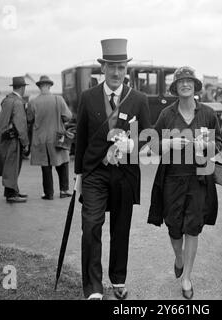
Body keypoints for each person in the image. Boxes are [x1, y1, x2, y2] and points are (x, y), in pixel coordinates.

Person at [74, 38, 151, 300]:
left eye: (121, 67)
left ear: (126, 69)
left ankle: (118, 279)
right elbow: (81, 138)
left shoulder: (138, 99)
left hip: (125, 173)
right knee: (91, 224)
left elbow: (148, 135)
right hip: (95, 171)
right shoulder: (88, 97)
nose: (117, 73)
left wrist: (133, 142)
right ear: (103, 68)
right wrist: (78, 176)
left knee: (121, 227)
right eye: (112, 67)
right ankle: (93, 288)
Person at [148, 66, 222, 299]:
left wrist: (206, 146)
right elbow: (151, 143)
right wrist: (167, 145)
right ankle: (179, 258)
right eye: (181, 82)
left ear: (195, 85)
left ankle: (187, 277)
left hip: (199, 178)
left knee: (193, 227)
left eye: (189, 81)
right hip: (172, 179)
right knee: (174, 226)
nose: (186, 84)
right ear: (176, 88)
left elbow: (219, 142)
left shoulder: (208, 113)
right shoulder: (167, 115)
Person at [27, 75, 73, 200]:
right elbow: (68, 116)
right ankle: (64, 190)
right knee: (62, 163)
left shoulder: (33, 102)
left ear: (39, 86)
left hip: (41, 139)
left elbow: (29, 119)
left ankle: (49, 193)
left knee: (46, 166)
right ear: (49, 86)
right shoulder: (58, 99)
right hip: (57, 138)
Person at [0, 77, 29, 203]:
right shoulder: (17, 102)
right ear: (22, 88)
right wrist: (25, 142)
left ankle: (13, 191)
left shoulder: (8, 100)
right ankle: (11, 194)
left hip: (6, 137)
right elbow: (21, 124)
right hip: (14, 139)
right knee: (12, 166)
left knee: (10, 166)